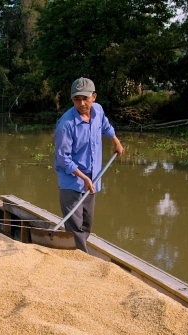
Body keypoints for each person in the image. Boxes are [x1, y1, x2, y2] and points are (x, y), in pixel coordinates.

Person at [54, 77, 124, 252]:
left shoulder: (98, 111)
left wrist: (115, 141)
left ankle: (79, 253)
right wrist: (83, 177)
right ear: (72, 100)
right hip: (72, 181)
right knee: (75, 228)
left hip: (93, 178)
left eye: (85, 98)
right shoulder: (66, 124)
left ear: (94, 97)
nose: (81, 103)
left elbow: (105, 126)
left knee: (86, 224)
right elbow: (63, 158)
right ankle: (81, 260)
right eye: (77, 99)